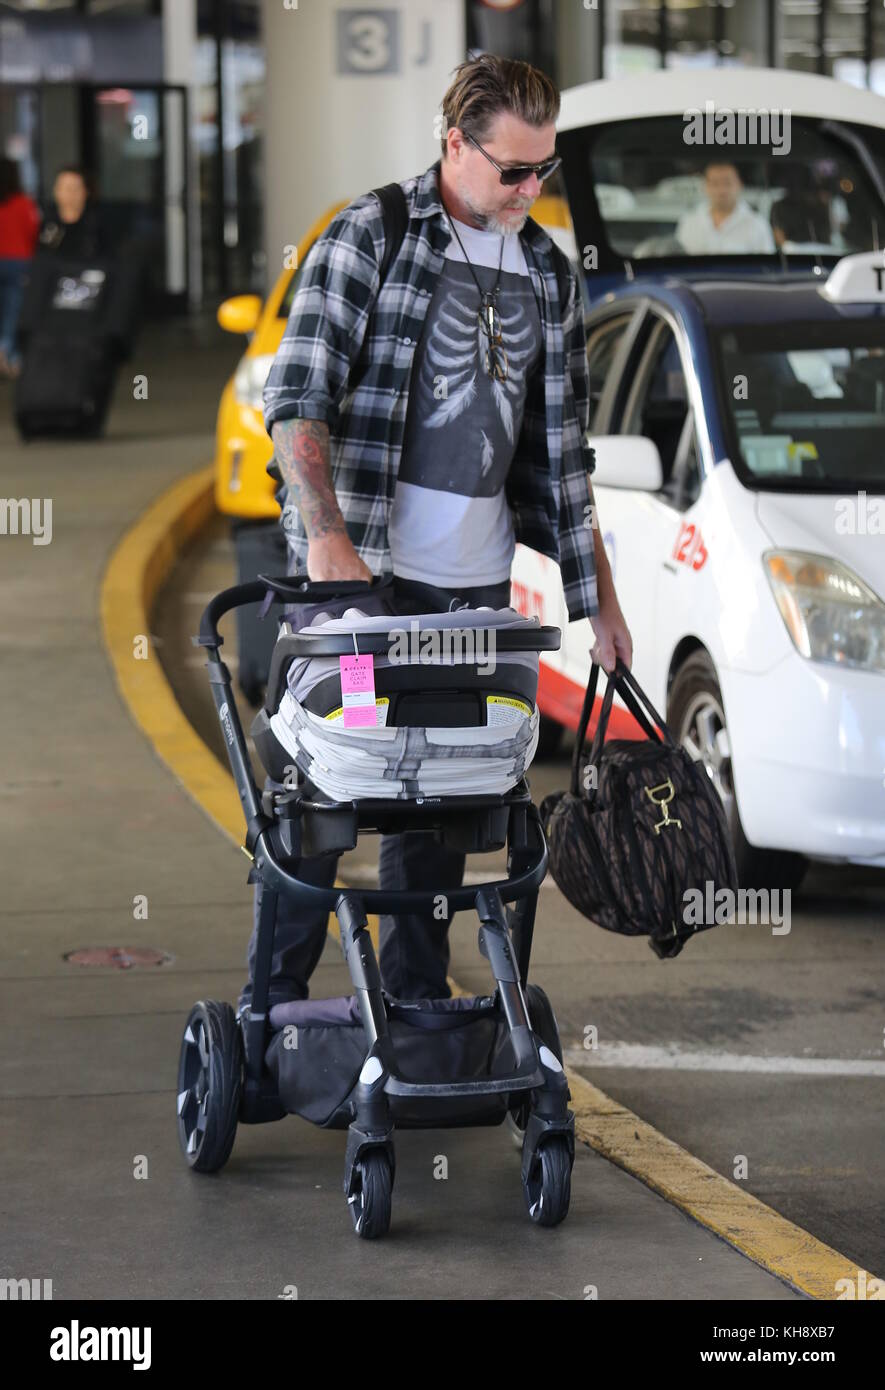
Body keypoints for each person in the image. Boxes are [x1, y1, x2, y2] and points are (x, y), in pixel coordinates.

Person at [238, 53, 632, 1015]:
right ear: (453, 143)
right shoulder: (370, 234)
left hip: (472, 599)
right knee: (321, 802)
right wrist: (329, 547)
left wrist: (603, 604)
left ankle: (414, 1016)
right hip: (365, 597)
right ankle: (268, 1014)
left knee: (439, 812)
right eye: (512, 171)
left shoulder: (544, 270)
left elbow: (563, 455)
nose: (531, 191)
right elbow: (296, 401)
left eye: (545, 170)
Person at [675, 161, 775, 255]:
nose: (721, 190)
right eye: (715, 183)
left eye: (727, 183)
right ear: (705, 186)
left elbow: (767, 269)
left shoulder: (758, 225)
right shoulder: (689, 221)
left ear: (740, 184)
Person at [0, 158, 40, 378]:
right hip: (18, 262)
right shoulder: (23, 203)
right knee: (13, 312)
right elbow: (33, 232)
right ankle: (8, 353)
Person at [37, 165, 106, 259]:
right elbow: (42, 260)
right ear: (56, 191)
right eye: (65, 187)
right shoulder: (49, 224)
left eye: (75, 188)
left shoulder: (99, 225)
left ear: (86, 192)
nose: (70, 193)